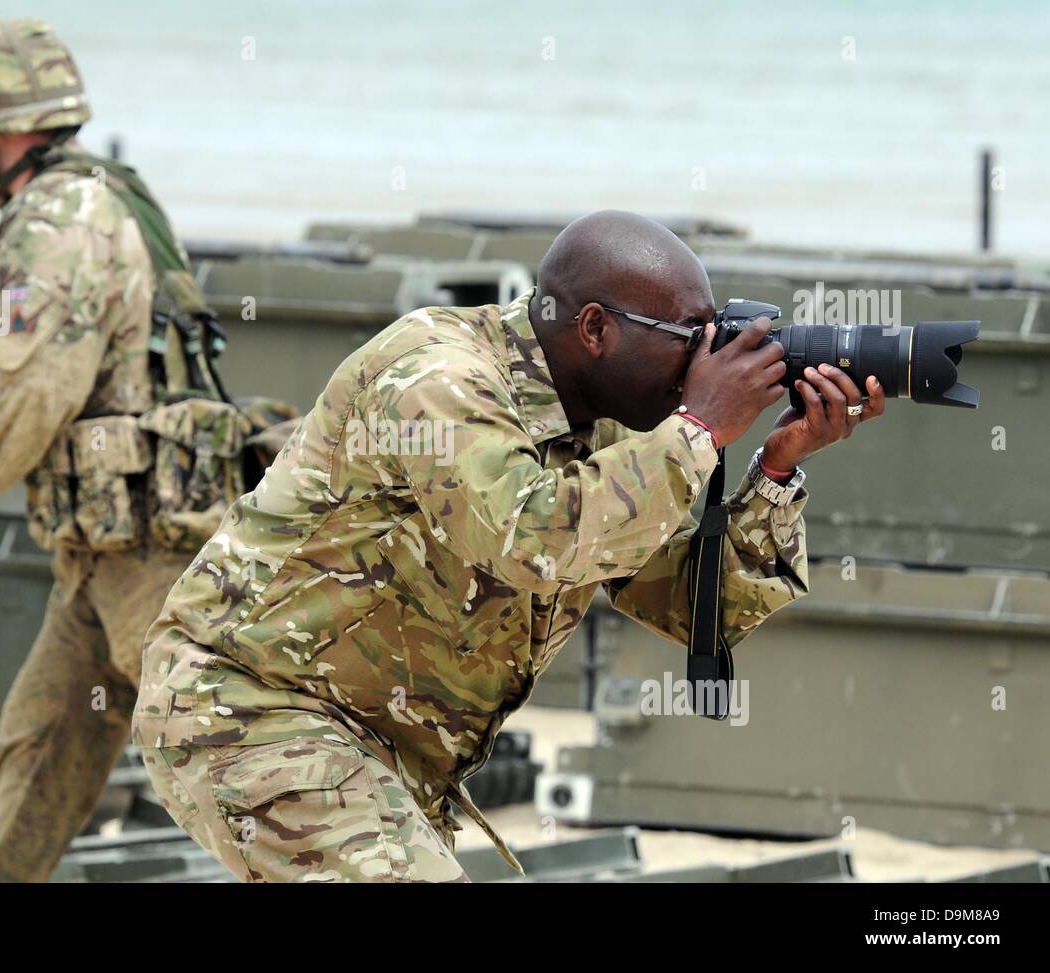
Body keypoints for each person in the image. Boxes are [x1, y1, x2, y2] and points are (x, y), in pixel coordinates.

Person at [134, 210, 886, 882]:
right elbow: (531, 537)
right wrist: (698, 431)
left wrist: (777, 467)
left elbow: (691, 607)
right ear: (595, 328)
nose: (704, 363)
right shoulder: (437, 376)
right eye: (692, 338)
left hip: (376, 747)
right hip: (249, 708)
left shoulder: (616, 421)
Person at [0, 18, 255, 881]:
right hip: (106, 555)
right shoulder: (111, 193)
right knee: (39, 751)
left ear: (1, 134)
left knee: (239, 765)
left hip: (148, 560)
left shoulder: (55, 215)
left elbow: (33, 384)